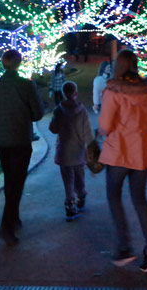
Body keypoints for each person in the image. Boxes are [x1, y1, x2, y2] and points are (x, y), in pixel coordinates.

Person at [98, 50, 147, 273]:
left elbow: (106, 126)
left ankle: (124, 247)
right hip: (142, 154)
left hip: (119, 153)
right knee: (140, 199)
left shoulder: (113, 90)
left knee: (114, 196)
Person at [0, 49, 44, 246]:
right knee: (17, 182)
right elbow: (38, 114)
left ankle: (13, 218)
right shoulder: (26, 85)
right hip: (19, 139)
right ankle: (7, 225)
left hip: (0, 139)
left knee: (10, 178)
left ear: (2, 63)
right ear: (18, 63)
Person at [48, 81, 94, 221]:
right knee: (79, 176)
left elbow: (53, 128)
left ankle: (70, 204)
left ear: (63, 93)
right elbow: (88, 133)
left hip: (64, 151)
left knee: (67, 179)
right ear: (76, 94)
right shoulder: (82, 111)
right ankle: (81, 195)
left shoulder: (58, 110)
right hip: (78, 151)